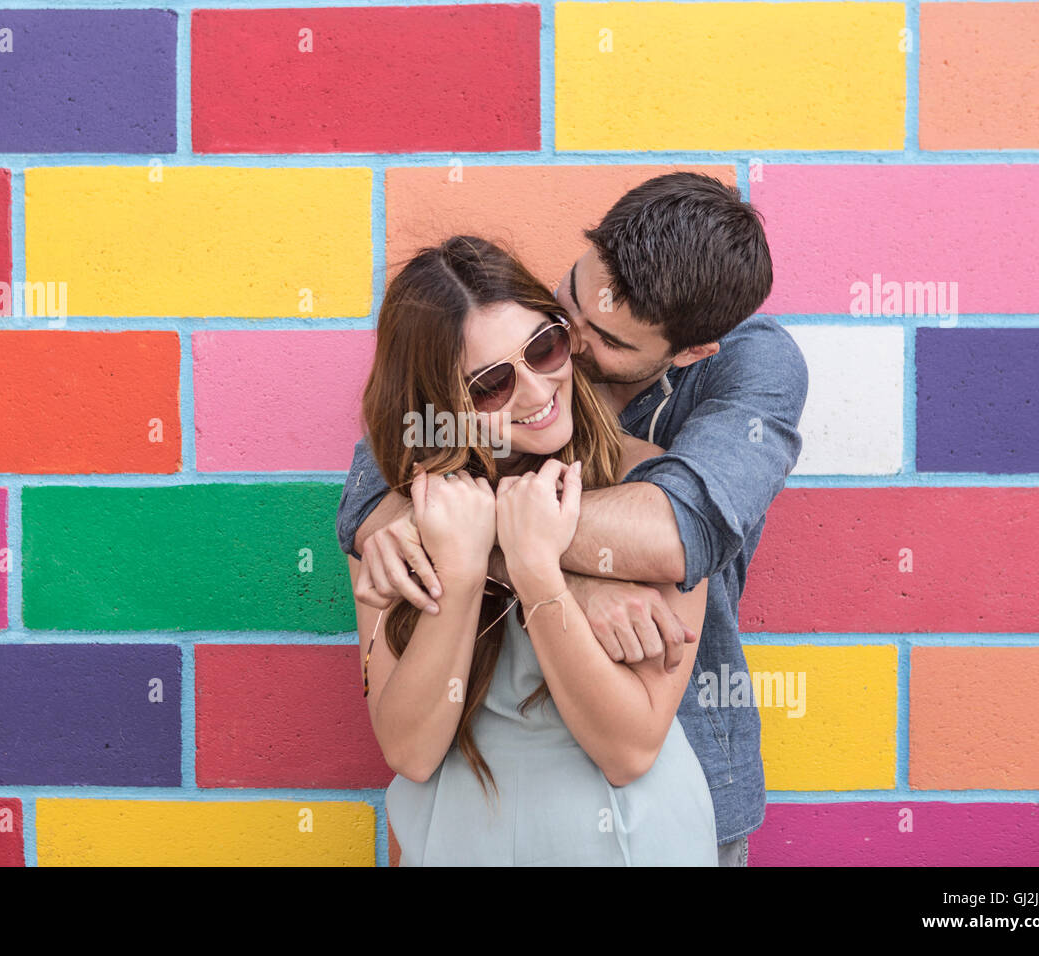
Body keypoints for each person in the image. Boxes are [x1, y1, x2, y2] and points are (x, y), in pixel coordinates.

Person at [338, 172, 809, 866]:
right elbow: (374, 499)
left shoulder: (747, 377)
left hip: (656, 808)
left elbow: (673, 534)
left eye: (556, 349)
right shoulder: (503, 342)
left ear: (688, 353)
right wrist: (496, 561)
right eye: (565, 318)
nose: (570, 359)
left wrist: (522, 558)